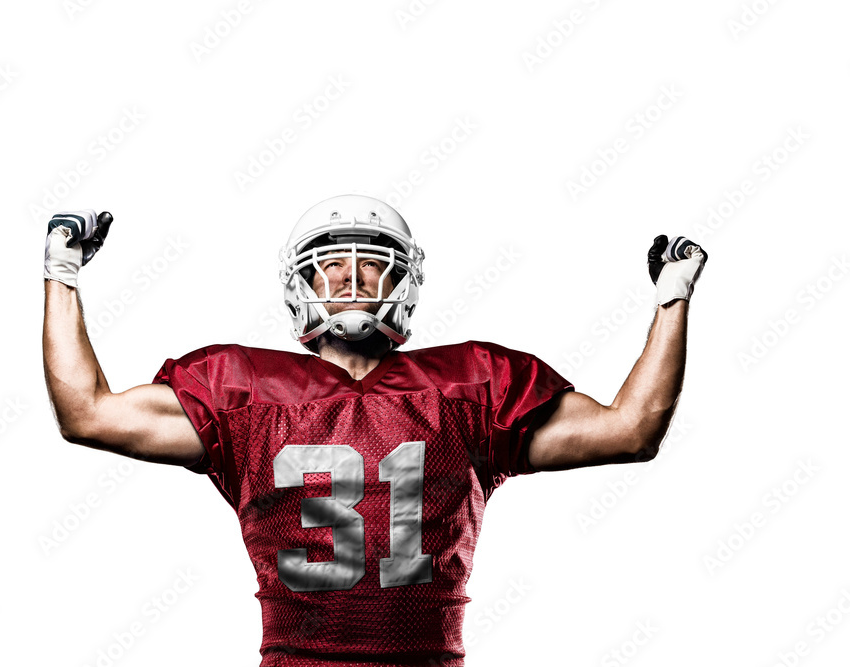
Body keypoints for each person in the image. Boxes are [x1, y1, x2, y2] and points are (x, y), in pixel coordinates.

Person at [42, 195, 706, 667]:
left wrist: (672, 298)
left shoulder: (474, 385)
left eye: (372, 262)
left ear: (404, 280)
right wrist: (61, 273)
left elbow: (631, 429)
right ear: (302, 281)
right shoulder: (240, 387)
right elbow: (88, 412)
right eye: (330, 263)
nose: (351, 276)